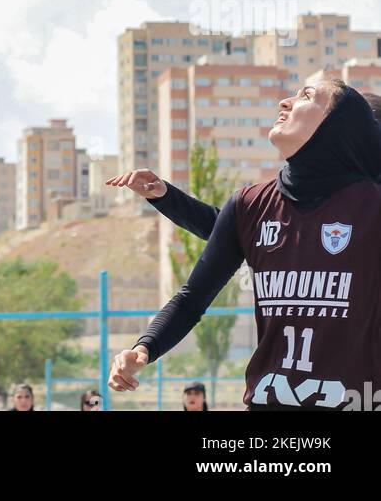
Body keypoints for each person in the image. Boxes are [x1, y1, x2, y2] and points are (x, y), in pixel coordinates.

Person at [108, 80, 381, 411]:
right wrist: (143, 349)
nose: (285, 102)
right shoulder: (250, 204)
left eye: (305, 96)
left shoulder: (370, 207)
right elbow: (192, 298)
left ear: (339, 125)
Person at [106, 92, 381, 241]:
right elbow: (227, 228)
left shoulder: (368, 207)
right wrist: (164, 195)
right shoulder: (298, 197)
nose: (285, 104)